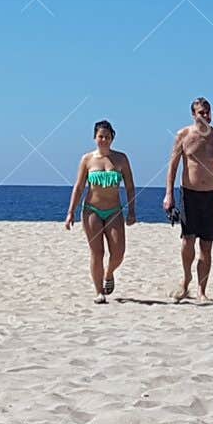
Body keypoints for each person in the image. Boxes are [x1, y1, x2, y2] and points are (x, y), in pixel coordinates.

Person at [163, 97, 213, 303]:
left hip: (212, 196)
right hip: (189, 194)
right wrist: (169, 195)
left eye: (207, 112)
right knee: (188, 241)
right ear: (193, 115)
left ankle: (201, 290)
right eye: (201, 113)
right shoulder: (183, 135)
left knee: (206, 246)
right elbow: (173, 166)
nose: (205, 116)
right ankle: (186, 278)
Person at [65, 120, 136, 304]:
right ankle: (99, 292)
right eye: (100, 136)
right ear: (95, 138)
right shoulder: (87, 159)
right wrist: (71, 212)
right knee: (97, 252)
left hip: (114, 211)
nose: (103, 140)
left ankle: (109, 273)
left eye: (107, 136)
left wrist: (132, 211)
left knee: (118, 252)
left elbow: (129, 187)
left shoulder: (121, 159)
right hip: (92, 211)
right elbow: (79, 187)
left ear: (112, 138)